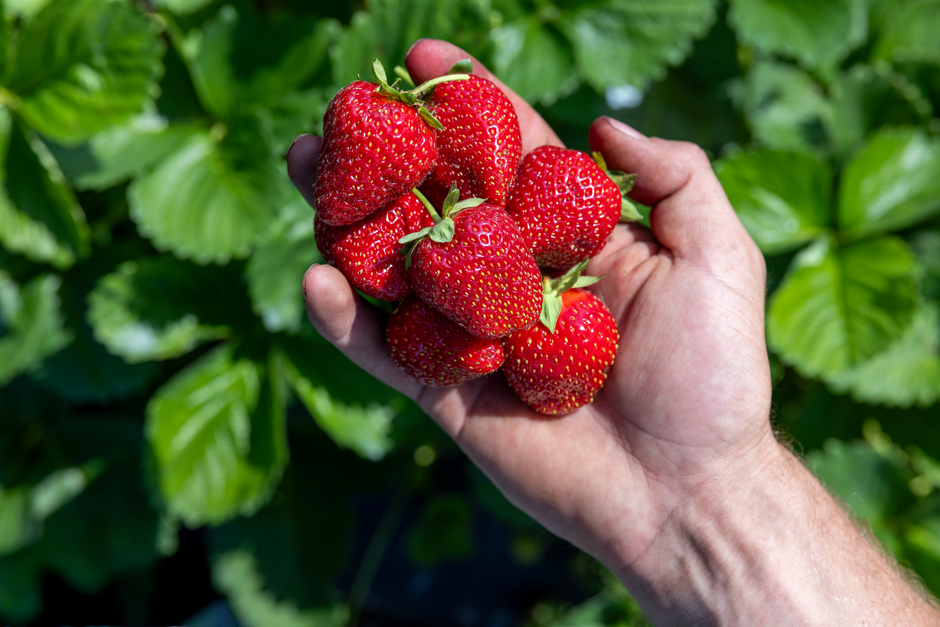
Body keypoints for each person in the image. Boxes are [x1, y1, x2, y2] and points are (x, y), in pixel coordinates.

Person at [288, 39, 940, 625]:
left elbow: (479, 248)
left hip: (472, 264)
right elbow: (460, 239)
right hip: (466, 264)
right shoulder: (473, 238)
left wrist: (715, 485)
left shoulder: (484, 238)